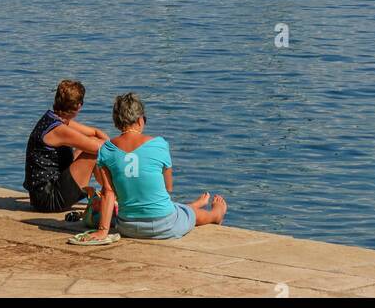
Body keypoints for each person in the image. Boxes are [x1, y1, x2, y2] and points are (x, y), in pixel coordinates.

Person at [84, 92, 226, 242]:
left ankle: (191, 206)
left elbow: (108, 193)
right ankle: (215, 214)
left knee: (166, 205)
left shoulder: (106, 150)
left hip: (127, 226)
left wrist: (102, 231)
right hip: (164, 225)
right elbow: (168, 188)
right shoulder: (159, 144)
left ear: (116, 122)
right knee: (190, 214)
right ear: (140, 120)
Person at [23, 79, 109, 214]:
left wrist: (105, 140)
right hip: (47, 200)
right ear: (79, 105)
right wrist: (119, 145)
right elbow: (98, 148)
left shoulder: (52, 119)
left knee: (92, 144)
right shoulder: (59, 130)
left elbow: (95, 133)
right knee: (93, 152)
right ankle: (112, 194)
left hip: (42, 194)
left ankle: (109, 193)